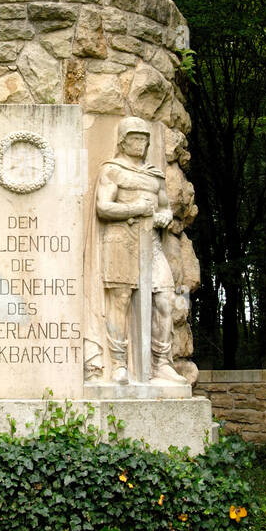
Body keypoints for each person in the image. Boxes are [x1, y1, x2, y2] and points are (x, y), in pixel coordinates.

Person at [93, 117, 186, 385]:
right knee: (120, 300)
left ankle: (162, 364)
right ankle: (119, 363)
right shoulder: (112, 170)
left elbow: (164, 206)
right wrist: (136, 208)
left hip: (152, 243)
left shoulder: (154, 175)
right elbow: (103, 207)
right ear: (122, 140)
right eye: (135, 137)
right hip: (121, 239)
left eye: (144, 138)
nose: (140, 143)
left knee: (166, 299)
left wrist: (164, 216)